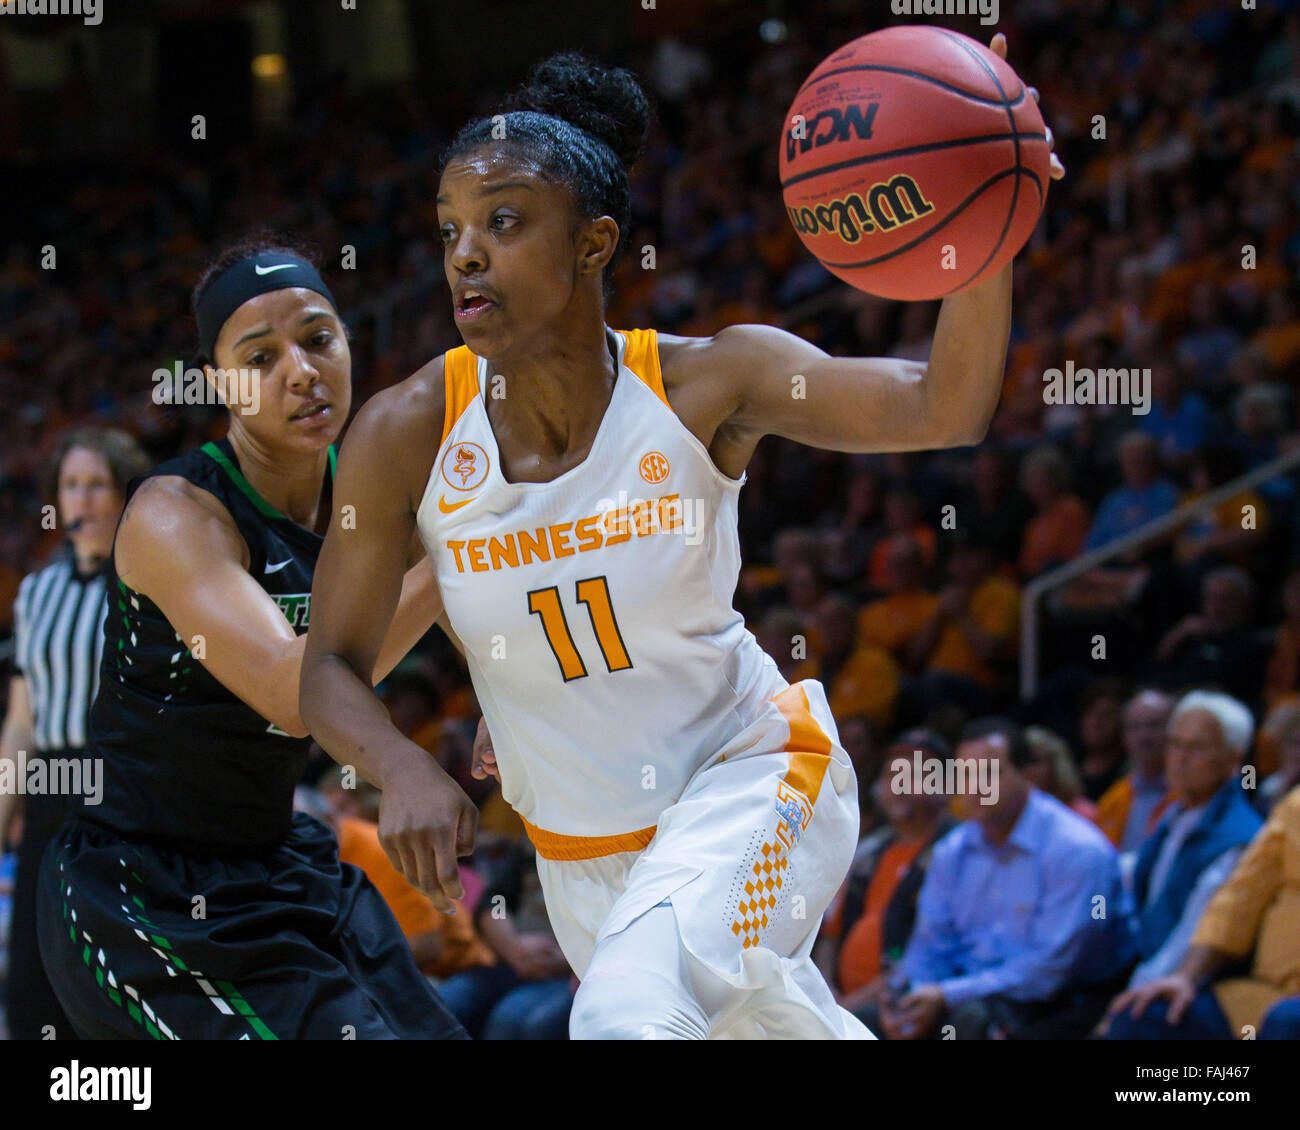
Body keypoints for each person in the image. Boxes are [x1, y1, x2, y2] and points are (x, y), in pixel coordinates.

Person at [300, 45, 1065, 1040]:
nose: (465, 254)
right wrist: (401, 766)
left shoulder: (709, 381)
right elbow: (327, 667)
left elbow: (942, 403)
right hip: (579, 863)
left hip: (754, 783)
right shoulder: (406, 430)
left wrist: (987, 213)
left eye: (503, 222)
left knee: (623, 1013)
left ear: (593, 242)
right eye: (449, 227)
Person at [34, 238, 466, 1040]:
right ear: (219, 386)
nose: (300, 371)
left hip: (276, 865)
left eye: (317, 339)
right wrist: (457, 546)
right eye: (259, 357)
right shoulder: (175, 513)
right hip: (140, 891)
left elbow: (478, 624)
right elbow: (295, 692)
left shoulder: (367, 485)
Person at [0, 427, 149, 1039]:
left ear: (123, 496)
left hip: (124, 791)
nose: (81, 500)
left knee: (109, 980)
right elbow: (20, 720)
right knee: (31, 981)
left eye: (96, 485)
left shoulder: (151, 585)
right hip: (46, 795)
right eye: (70, 486)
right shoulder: (36, 592)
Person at [872, 718, 1134, 1040]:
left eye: (990, 773)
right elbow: (929, 946)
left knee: (971, 1022)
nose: (976, 787)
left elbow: (1050, 970)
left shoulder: (1077, 851)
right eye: (966, 774)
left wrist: (946, 994)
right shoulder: (951, 852)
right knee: (858, 1021)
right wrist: (911, 998)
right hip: (970, 990)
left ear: (1028, 775)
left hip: (1066, 999)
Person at [1102, 784, 1300, 1040]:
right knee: (1141, 1015)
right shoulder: (1295, 807)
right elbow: (1240, 898)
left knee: (1286, 1020)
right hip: (1261, 997)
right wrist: (1185, 977)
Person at [1111, 691, 1262, 997]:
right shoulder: (1176, 813)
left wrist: (1121, 1005)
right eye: (1175, 744)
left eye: (1197, 747)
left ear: (1233, 758)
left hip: (1190, 990)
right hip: (1143, 967)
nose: (1180, 758)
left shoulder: (1237, 839)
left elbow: (1188, 944)